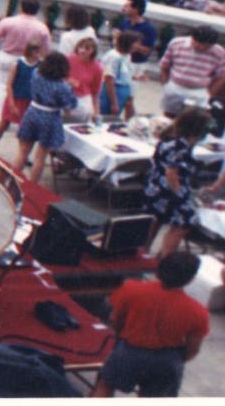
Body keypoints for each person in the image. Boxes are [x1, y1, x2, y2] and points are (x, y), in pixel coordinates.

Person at [92, 250, 209, 397]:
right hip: (166, 360)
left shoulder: (131, 289)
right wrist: (173, 360)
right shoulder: (198, 311)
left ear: (160, 269)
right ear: (190, 279)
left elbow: (116, 321)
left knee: (105, 386)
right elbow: (192, 349)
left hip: (129, 351)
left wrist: (123, 338)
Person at [142, 109, 224, 258]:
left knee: (157, 218)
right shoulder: (180, 145)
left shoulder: (170, 137)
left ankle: (146, 251)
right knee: (185, 222)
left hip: (155, 186)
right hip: (167, 189)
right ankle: (165, 257)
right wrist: (180, 193)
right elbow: (171, 173)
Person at [9, 53, 79, 185]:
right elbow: (69, 106)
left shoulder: (36, 73)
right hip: (49, 117)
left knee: (22, 153)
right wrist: (70, 88)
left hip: (32, 111)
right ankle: (31, 186)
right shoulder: (62, 87)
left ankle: (10, 180)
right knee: (40, 157)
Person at [158, 26, 225, 116]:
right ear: (192, 38)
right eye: (198, 44)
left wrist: (210, 93)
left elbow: (221, 76)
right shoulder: (176, 43)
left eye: (206, 47)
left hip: (199, 91)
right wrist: (165, 84)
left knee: (192, 119)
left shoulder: (219, 53)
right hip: (175, 86)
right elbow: (165, 65)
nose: (201, 48)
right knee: (169, 115)